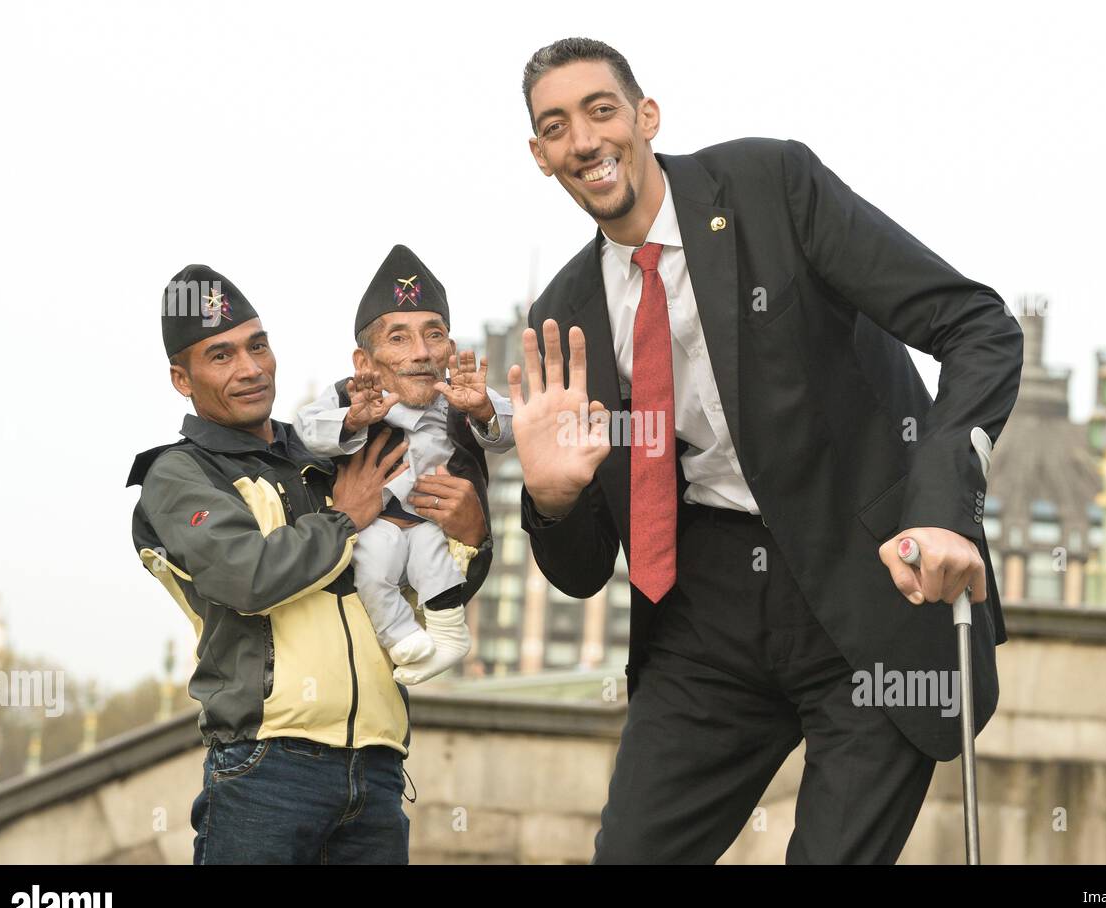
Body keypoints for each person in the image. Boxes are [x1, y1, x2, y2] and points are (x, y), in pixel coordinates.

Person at [508, 38, 1024, 863]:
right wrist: (554, 499)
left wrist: (942, 514)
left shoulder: (772, 186)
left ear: (646, 115)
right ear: (541, 156)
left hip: (870, 580)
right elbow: (578, 570)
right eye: (557, 127)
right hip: (701, 621)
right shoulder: (564, 317)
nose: (584, 140)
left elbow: (978, 328)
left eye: (601, 110)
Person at [127, 264, 491, 864]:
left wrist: (471, 536)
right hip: (266, 769)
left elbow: (420, 582)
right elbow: (245, 576)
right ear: (180, 379)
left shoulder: (336, 447)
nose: (249, 368)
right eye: (221, 356)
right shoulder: (179, 474)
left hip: (377, 770)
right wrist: (344, 520)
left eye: (258, 346)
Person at [295, 243, 514, 685]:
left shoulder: (458, 398)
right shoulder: (348, 398)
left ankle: (449, 636)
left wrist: (483, 410)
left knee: (436, 567)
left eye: (433, 335)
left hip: (431, 528)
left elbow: (507, 433)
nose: (421, 353)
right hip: (377, 528)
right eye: (399, 338)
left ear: (450, 348)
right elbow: (307, 429)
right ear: (364, 361)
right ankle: (400, 635)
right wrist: (353, 419)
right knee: (374, 565)